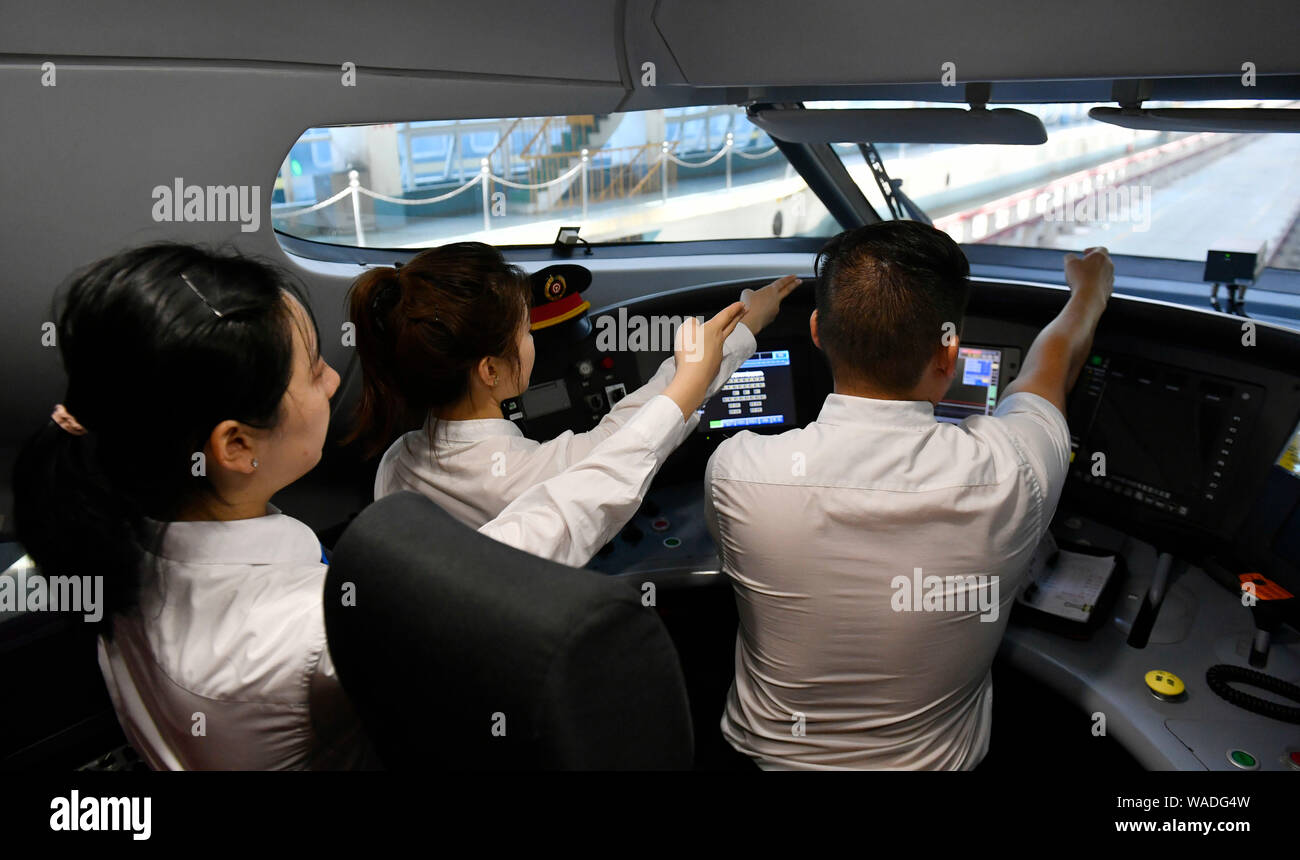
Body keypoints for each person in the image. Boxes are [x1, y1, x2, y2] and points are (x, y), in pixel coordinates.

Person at [11, 242, 745, 769]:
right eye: (313, 369)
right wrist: (682, 388)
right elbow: (533, 539)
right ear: (234, 446)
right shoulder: (299, 631)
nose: (335, 383)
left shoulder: (116, 528)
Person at [704, 221, 1113, 769]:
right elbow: (1050, 368)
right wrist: (1088, 293)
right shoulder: (1016, 469)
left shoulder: (737, 470)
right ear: (949, 355)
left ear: (819, 331)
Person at [347, 240, 798, 565]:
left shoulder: (395, 466)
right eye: (524, 332)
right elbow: (626, 444)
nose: (530, 342)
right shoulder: (534, 474)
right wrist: (739, 332)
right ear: (490, 371)